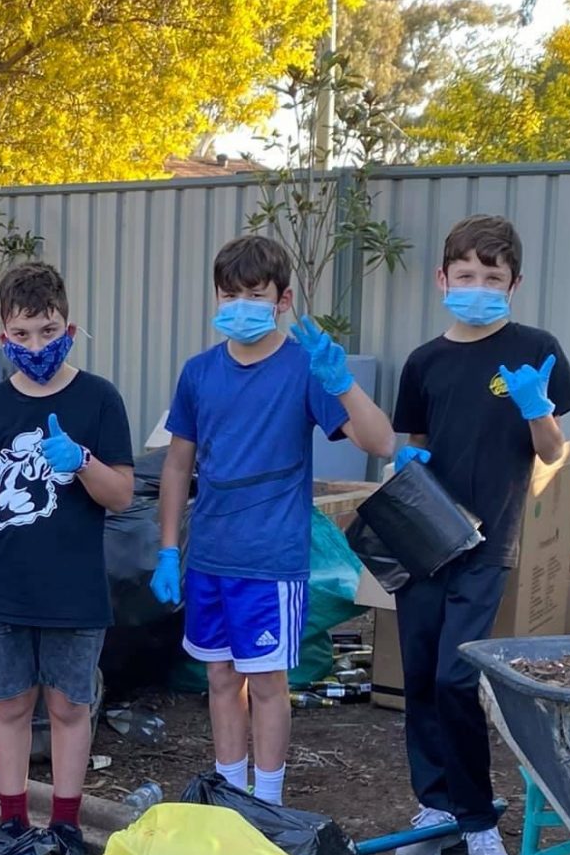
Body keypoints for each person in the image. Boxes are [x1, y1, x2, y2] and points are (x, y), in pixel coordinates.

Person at [150, 236, 395, 805]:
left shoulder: (305, 369)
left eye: (254, 295)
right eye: (229, 294)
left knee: (266, 683)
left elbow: (379, 441)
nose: (241, 306)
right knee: (218, 679)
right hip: (209, 555)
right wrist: (167, 547)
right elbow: (177, 462)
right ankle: (230, 793)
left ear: (283, 299)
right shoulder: (199, 372)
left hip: (271, 561)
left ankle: (269, 802)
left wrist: (342, 383)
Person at [389, 212, 570, 855]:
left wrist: (537, 408)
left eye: (491, 277)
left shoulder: (534, 349)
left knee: (454, 677)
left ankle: (476, 824)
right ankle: (434, 807)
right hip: (424, 543)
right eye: (465, 275)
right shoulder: (424, 362)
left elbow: (554, 455)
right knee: (419, 676)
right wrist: (402, 464)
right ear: (442, 278)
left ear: (514, 282)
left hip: (488, 544)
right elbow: (411, 444)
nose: (477, 285)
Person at [0, 261, 134, 846]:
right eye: (22, 335)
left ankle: (66, 825)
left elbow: (122, 496)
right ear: (4, 335)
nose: (36, 346)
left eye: (48, 332)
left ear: (69, 327)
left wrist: (80, 461)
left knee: (69, 709)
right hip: (3, 590)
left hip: (75, 594)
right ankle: (9, 820)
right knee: (8, 707)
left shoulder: (100, 401)